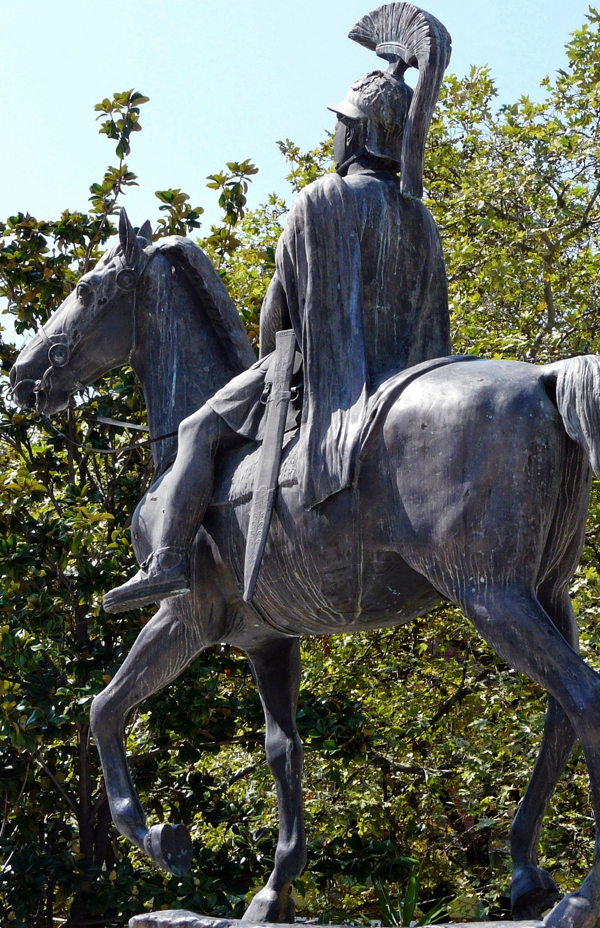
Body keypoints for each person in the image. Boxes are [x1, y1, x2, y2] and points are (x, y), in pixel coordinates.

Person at [104, 67, 450, 612]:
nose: (336, 134)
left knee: (196, 428)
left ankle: (167, 560)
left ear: (355, 133)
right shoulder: (419, 215)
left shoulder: (322, 199)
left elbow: (279, 308)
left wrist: (267, 367)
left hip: (322, 366)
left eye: (340, 124)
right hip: (409, 373)